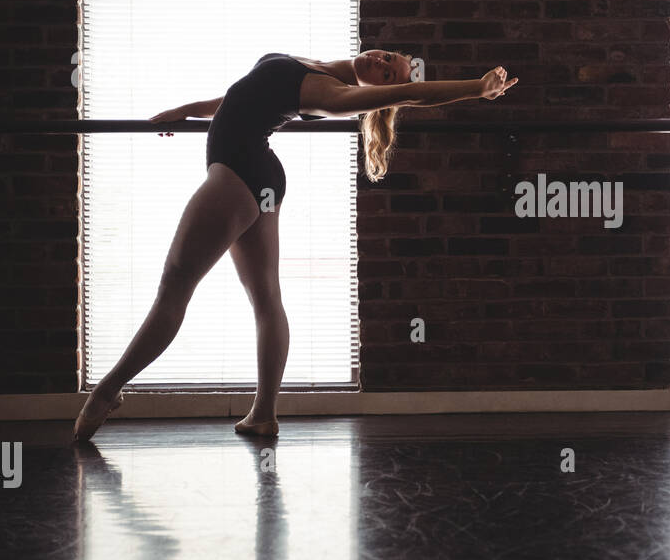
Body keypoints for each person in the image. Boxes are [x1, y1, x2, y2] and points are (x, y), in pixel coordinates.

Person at [73, 50, 518, 441]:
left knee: (175, 286)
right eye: (386, 57)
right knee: (266, 297)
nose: (380, 64)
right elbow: (239, 99)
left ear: (379, 92)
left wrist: (477, 88)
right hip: (258, 178)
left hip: (239, 174)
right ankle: (263, 415)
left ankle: (106, 392)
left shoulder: (333, 96)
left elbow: (414, 95)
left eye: (388, 75)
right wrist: (186, 110)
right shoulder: (314, 65)